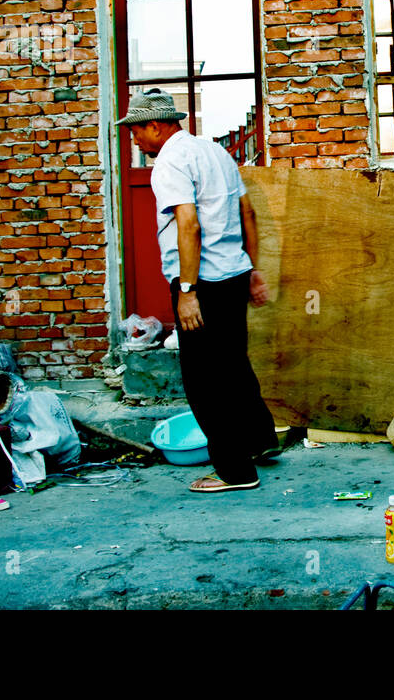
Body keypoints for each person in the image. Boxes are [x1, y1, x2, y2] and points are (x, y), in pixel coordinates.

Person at [117, 89, 279, 493]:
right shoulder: (214, 152)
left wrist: (187, 291)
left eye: (135, 132)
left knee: (204, 380)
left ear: (155, 126)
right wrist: (253, 270)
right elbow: (248, 213)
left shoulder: (170, 161)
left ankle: (234, 471)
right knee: (233, 365)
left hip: (203, 283)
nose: (134, 140)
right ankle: (259, 442)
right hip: (233, 275)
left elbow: (188, 225)